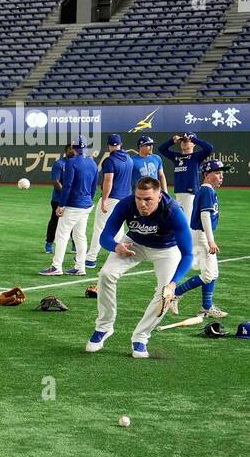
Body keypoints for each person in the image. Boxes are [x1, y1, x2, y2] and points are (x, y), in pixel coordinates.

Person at [85, 177, 193, 360]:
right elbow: (105, 236)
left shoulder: (174, 212)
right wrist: (115, 246)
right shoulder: (126, 204)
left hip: (166, 249)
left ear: (159, 197)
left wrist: (173, 284)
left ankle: (141, 337)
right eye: (138, 198)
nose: (142, 204)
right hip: (134, 244)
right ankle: (104, 327)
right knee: (106, 274)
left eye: (148, 199)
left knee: (164, 293)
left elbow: (188, 254)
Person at [173, 159, 227, 319]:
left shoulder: (207, 190)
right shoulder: (207, 191)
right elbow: (205, 216)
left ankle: (206, 307)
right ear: (206, 175)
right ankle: (175, 293)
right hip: (202, 235)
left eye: (221, 173)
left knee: (212, 272)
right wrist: (210, 240)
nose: (221, 176)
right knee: (209, 275)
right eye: (217, 173)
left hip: (201, 235)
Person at [40, 137, 96, 276]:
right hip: (86, 204)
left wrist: (62, 204)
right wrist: (89, 199)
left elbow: (68, 186)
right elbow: (94, 186)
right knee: (80, 236)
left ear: (74, 148)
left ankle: (56, 266)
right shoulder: (92, 163)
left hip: (73, 204)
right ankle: (80, 267)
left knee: (62, 234)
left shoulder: (71, 163)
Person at [86, 133, 132, 268]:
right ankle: (119, 255)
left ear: (108, 146)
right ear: (120, 144)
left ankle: (91, 258)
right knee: (119, 229)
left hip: (112, 198)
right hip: (126, 199)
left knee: (99, 228)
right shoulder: (129, 159)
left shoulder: (110, 161)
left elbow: (108, 181)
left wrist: (104, 200)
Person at [158, 132, 213, 221]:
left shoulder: (196, 156)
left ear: (193, 144)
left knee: (186, 218)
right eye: (183, 141)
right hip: (179, 191)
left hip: (190, 192)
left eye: (187, 141)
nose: (184, 143)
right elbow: (161, 149)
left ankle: (188, 235)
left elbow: (209, 148)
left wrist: (194, 139)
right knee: (180, 217)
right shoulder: (176, 156)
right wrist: (172, 141)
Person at [44, 145, 75, 255]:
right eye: (70, 149)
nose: (72, 151)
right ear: (66, 151)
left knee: (73, 222)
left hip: (72, 200)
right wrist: (66, 193)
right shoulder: (59, 164)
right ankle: (49, 243)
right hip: (58, 199)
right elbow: (56, 182)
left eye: (73, 149)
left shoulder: (77, 164)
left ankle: (75, 245)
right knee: (55, 221)